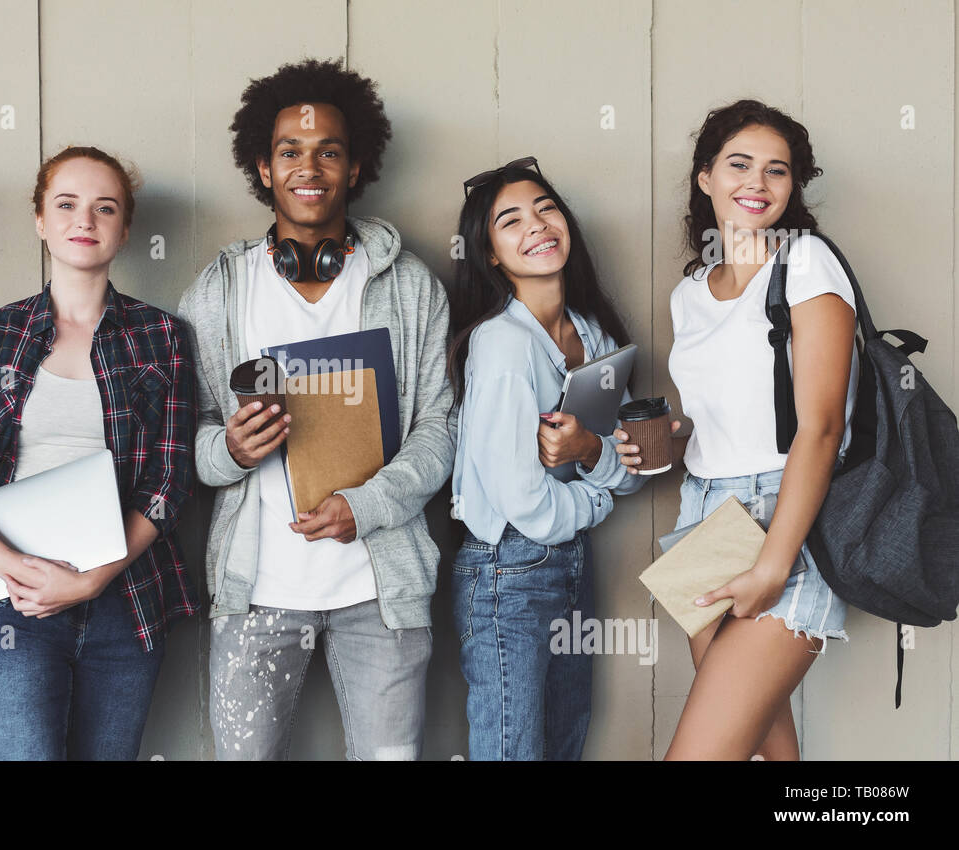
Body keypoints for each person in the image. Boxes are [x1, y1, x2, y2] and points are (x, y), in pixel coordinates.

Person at [179, 58, 453, 761]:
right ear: (263, 169)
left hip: (381, 587)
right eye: (289, 151)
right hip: (257, 591)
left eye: (329, 150)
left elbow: (439, 432)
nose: (310, 167)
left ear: (355, 166)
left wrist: (366, 507)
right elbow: (186, 440)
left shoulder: (412, 286)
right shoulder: (219, 291)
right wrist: (231, 451)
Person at [0, 146, 198, 760]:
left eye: (105, 208)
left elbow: (170, 480)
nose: (85, 221)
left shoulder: (162, 337)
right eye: (66, 204)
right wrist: (12, 565)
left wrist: (92, 580)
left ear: (125, 230)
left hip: (126, 599)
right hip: (12, 601)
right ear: (41, 220)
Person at [617, 99, 857, 760]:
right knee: (768, 750)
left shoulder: (805, 261)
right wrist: (664, 439)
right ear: (705, 177)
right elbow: (714, 420)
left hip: (785, 517)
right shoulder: (691, 291)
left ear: (793, 186)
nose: (757, 182)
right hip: (706, 520)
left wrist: (775, 563)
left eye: (777, 171)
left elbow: (822, 425)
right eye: (739, 164)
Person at [447, 158, 644, 760]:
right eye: (511, 220)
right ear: (491, 255)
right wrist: (597, 488)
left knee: (562, 746)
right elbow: (526, 504)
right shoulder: (501, 343)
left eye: (546, 208)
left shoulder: (593, 335)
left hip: (570, 564)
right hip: (506, 571)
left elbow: (633, 469)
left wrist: (589, 450)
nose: (536, 224)